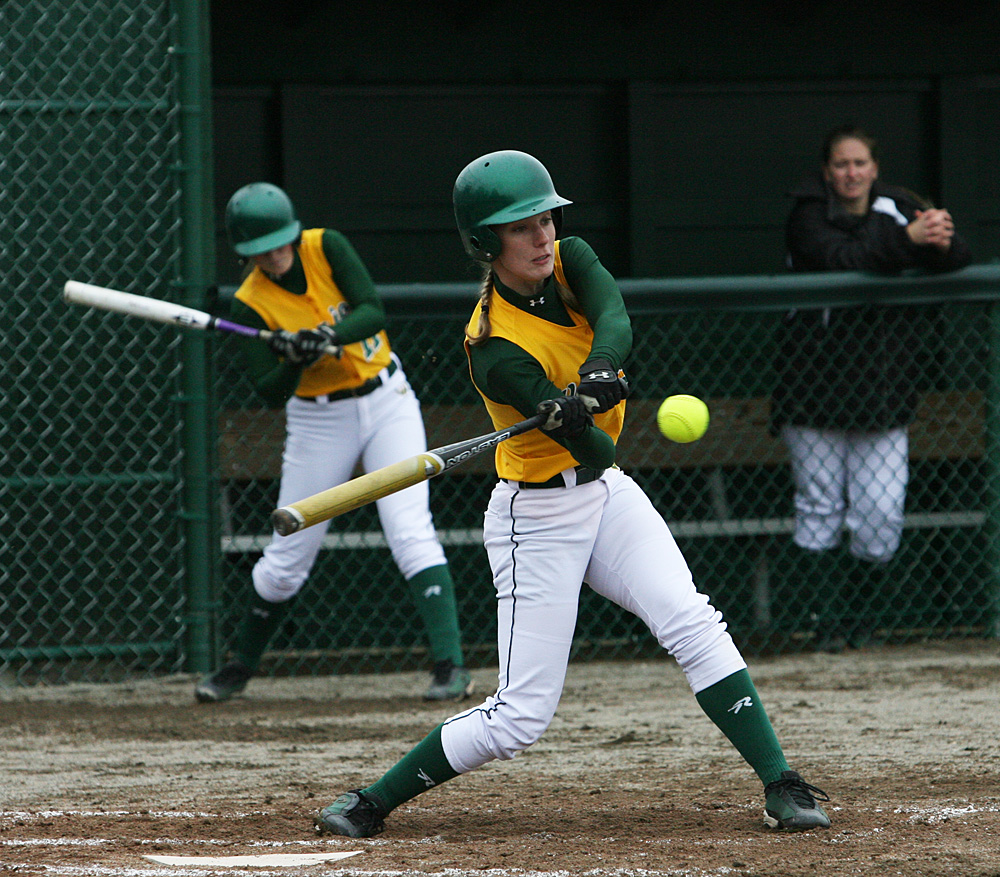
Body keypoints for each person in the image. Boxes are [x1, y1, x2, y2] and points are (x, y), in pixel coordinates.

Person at [313, 150, 831, 837]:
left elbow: (613, 315)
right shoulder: (493, 346)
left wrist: (599, 371)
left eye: (544, 219)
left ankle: (781, 784)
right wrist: (567, 415)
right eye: (520, 227)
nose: (541, 236)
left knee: (692, 620)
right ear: (483, 243)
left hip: (607, 497)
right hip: (537, 514)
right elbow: (598, 446)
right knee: (520, 715)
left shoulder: (572, 258)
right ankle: (370, 799)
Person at [195, 182, 474, 703]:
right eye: (264, 251)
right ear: (247, 254)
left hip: (387, 399)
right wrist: (293, 360)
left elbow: (371, 309)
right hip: (319, 421)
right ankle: (239, 666)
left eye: (281, 243)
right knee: (285, 556)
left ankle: (450, 665)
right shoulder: (252, 301)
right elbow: (269, 390)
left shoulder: (326, 246)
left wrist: (323, 338)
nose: (277, 256)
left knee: (409, 527)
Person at [770, 125, 973, 651]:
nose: (851, 174)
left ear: (875, 168)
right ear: (826, 170)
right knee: (819, 508)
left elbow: (954, 259)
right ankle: (822, 626)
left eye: (860, 164)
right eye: (841, 164)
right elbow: (838, 259)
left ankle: (864, 621)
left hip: (882, 394)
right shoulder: (808, 212)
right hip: (812, 392)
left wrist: (941, 237)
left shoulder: (896, 206)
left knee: (880, 511)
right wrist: (906, 241)